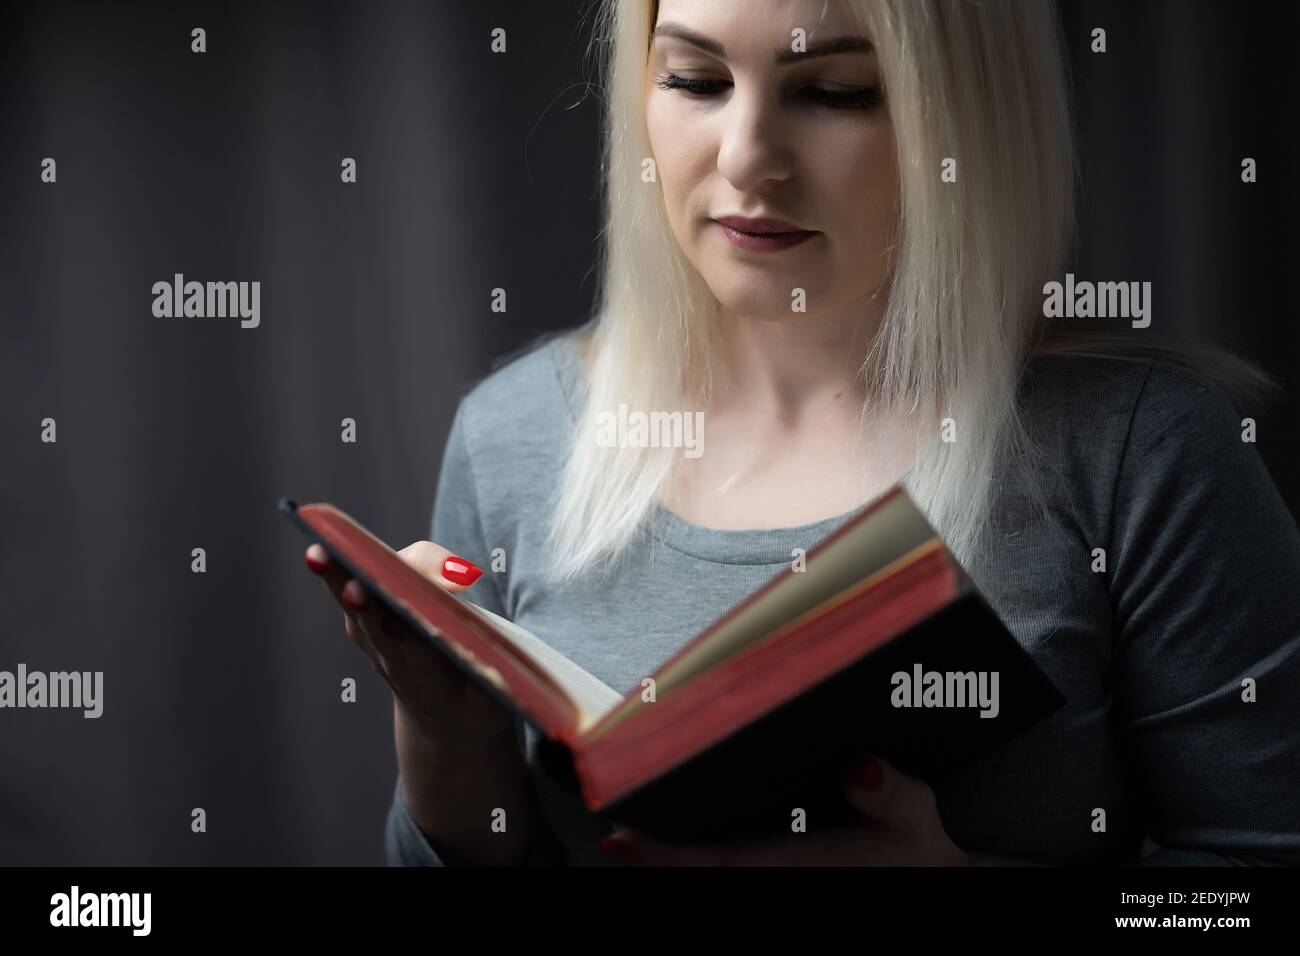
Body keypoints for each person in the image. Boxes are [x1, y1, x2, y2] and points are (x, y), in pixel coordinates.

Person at [306, 0, 1300, 866]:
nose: (746, 158)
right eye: (694, 78)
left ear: (964, 116)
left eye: (835, 92)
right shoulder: (510, 435)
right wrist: (444, 739)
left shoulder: (1145, 453)